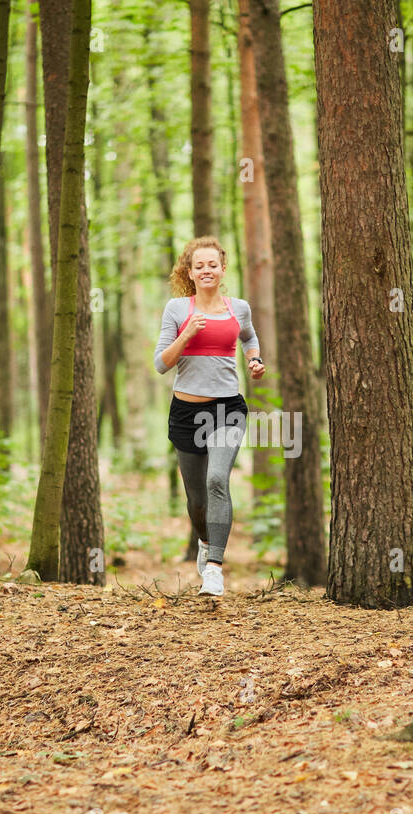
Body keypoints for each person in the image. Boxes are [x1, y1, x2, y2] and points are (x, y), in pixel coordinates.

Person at [153, 236, 265, 597]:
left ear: (222, 268)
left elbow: (248, 336)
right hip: (186, 413)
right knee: (197, 500)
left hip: (227, 409)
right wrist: (187, 334)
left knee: (218, 479)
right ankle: (205, 542)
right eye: (199, 265)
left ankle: (214, 568)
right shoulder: (176, 309)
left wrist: (253, 358)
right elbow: (161, 364)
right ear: (189, 271)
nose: (206, 270)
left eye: (212, 264)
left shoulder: (239, 307)